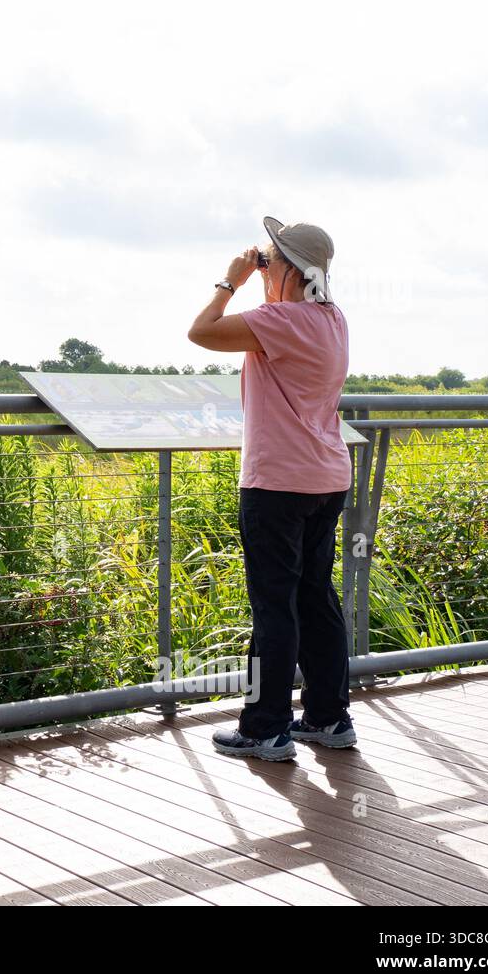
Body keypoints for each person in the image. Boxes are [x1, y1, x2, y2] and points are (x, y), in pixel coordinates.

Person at [186, 216, 356, 761]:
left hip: (278, 482)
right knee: (316, 597)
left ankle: (266, 728)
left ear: (287, 268)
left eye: (270, 259)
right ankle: (329, 718)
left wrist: (231, 279)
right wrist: (268, 279)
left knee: (274, 605)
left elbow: (201, 332)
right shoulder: (333, 319)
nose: (263, 265)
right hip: (327, 477)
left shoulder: (280, 320)